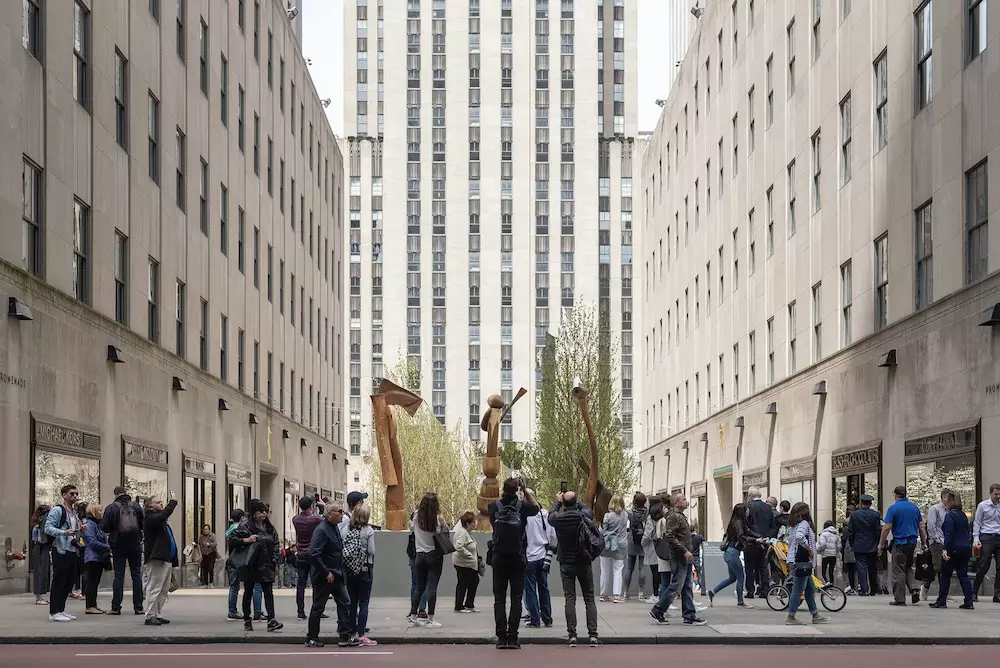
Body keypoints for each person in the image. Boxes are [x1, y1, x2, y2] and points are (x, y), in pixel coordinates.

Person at [488, 477, 541, 649]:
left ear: (503, 489)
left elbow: (494, 528)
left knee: (499, 599)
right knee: (516, 599)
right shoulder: (522, 507)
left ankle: (501, 638)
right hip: (517, 558)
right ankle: (513, 638)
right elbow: (536, 508)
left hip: (498, 557)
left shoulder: (493, 507)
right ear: (517, 489)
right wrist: (525, 491)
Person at [548, 490, 601, 647]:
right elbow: (588, 511)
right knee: (589, 598)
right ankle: (593, 634)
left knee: (569, 598)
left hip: (566, 562)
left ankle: (572, 634)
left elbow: (551, 515)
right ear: (576, 502)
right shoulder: (582, 516)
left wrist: (558, 501)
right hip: (583, 561)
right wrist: (577, 501)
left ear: (564, 503)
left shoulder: (558, 519)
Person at [649, 492, 706, 626]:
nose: (686, 502)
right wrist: (685, 551)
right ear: (676, 503)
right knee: (676, 585)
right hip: (679, 556)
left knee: (686, 586)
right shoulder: (674, 516)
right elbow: (670, 536)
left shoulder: (679, 516)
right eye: (684, 499)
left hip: (683, 556)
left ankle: (689, 615)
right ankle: (658, 610)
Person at [305, 501, 354, 648]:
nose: (342, 513)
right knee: (318, 607)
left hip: (336, 574)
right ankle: (312, 637)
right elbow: (313, 553)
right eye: (339, 511)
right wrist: (325, 572)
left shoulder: (333, 527)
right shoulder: (322, 530)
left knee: (345, 602)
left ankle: (345, 635)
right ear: (329, 514)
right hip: (325, 576)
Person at [230, 499, 283, 631]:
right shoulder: (246, 527)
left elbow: (276, 545)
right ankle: (247, 619)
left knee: (268, 593)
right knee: (248, 592)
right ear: (254, 514)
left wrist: (275, 562)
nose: (264, 514)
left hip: (266, 565)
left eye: (265, 511)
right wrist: (246, 540)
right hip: (251, 565)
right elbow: (232, 539)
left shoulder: (269, 528)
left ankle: (272, 619)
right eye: (261, 511)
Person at [878, 485, 927, 606]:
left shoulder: (893, 508)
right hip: (912, 543)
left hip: (900, 543)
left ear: (896, 495)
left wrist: (880, 544)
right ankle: (914, 589)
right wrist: (924, 543)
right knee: (908, 567)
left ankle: (900, 599)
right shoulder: (914, 508)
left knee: (898, 570)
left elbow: (887, 527)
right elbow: (921, 527)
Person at [410, 492, 451, 629]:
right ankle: (431, 619)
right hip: (434, 555)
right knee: (432, 587)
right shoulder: (438, 518)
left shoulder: (416, 516)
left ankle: (413, 617)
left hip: (419, 555)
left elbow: (412, 529)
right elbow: (446, 530)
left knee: (419, 587)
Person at [101, 486, 145, 616]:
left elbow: (104, 527)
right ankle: (138, 607)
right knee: (136, 574)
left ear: (115, 494)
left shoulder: (111, 507)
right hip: (135, 544)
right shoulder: (136, 507)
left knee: (118, 575)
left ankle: (116, 607)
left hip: (118, 545)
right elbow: (143, 524)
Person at [784, 502, 830, 625]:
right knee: (798, 590)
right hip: (801, 562)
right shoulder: (804, 523)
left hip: (795, 560)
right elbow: (800, 537)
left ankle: (815, 615)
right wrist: (809, 548)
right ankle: (791, 617)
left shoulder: (794, 524)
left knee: (809, 589)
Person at [708, 503, 760, 608]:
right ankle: (740, 602)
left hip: (730, 553)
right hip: (733, 553)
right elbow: (742, 537)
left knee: (732, 578)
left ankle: (712, 592)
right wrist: (755, 540)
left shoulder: (737, 522)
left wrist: (758, 536)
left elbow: (748, 531)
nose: (748, 512)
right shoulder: (738, 522)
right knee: (741, 577)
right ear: (742, 511)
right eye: (746, 510)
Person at [930, 491, 974, 610]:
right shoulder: (963, 515)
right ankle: (969, 601)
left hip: (953, 548)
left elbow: (949, 534)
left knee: (945, 575)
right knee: (963, 575)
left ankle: (942, 600)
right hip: (965, 548)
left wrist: (945, 549)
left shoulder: (950, 516)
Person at [43, 484, 82, 622]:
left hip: (72, 549)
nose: (75, 496)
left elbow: (73, 529)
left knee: (68, 581)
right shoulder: (58, 510)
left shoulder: (74, 512)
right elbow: (48, 528)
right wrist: (63, 532)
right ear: (64, 495)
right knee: (59, 580)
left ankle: (61, 609)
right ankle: (54, 612)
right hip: (60, 549)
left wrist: (80, 529)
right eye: (72, 494)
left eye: (76, 494)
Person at [343, 501, 377, 646]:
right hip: (364, 568)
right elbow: (371, 551)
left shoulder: (346, 529)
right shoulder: (368, 531)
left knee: (352, 603)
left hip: (350, 569)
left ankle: (352, 633)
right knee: (364, 603)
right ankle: (362, 634)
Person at [142, 493, 178, 626]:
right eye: (158, 502)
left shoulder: (160, 520)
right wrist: (173, 502)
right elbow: (164, 514)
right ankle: (149, 615)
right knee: (154, 587)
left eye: (162, 502)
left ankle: (158, 613)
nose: (161, 504)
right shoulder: (150, 518)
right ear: (150, 505)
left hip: (166, 558)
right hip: (156, 558)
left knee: (163, 589)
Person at [523, 488, 554, 627]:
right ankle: (547, 617)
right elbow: (551, 535)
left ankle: (535, 618)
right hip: (543, 555)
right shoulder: (545, 514)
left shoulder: (525, 517)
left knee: (530, 589)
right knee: (544, 587)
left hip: (530, 556)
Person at [226, 509, 262, 621]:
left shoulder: (230, 529)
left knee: (234, 587)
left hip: (232, 561)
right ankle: (254, 612)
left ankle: (232, 610)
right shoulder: (241, 529)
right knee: (249, 586)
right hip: (241, 560)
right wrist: (248, 540)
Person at [292, 496, 323, 620]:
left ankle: (300, 611)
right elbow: (323, 519)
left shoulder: (295, 519)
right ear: (311, 506)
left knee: (301, 584)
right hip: (312, 554)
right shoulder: (315, 519)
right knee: (316, 584)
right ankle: (317, 610)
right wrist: (323, 507)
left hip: (300, 554)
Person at [744, 486, 777, 598]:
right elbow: (773, 526)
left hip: (751, 542)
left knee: (750, 568)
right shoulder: (768, 508)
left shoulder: (748, 506)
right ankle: (764, 590)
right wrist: (767, 537)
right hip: (765, 542)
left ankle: (750, 591)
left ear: (750, 495)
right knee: (763, 567)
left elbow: (746, 525)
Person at [971, 482, 1000, 604]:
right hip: (986, 537)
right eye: (996, 494)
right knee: (984, 565)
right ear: (990, 493)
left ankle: (997, 594)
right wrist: (976, 539)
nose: (998, 496)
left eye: (999, 494)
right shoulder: (983, 506)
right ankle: (974, 591)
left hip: (998, 537)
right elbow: (977, 522)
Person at [848, 494, 882, 596]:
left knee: (861, 568)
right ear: (870, 503)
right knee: (872, 567)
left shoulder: (854, 515)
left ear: (861, 503)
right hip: (872, 544)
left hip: (859, 544)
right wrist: (878, 543)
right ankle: (873, 589)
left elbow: (851, 531)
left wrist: (852, 543)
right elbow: (877, 531)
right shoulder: (876, 515)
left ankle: (864, 589)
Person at [920, 489, 949, 601]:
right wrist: (935, 538)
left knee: (945, 568)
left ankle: (943, 593)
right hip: (937, 542)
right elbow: (931, 525)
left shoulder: (950, 511)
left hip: (947, 541)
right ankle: (926, 585)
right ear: (942, 498)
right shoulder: (935, 509)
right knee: (937, 566)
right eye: (947, 497)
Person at [599, 493, 628, 602]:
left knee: (605, 570)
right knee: (618, 570)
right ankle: (617, 595)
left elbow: (603, 531)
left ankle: (603, 594)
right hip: (620, 545)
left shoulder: (607, 516)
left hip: (607, 545)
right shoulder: (625, 515)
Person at [82, 503, 110, 614]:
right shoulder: (90, 524)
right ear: (93, 512)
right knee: (92, 582)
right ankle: (89, 606)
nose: (101, 513)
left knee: (95, 582)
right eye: (99, 511)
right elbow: (92, 542)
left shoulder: (97, 524)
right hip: (92, 557)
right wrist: (108, 547)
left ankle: (93, 604)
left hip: (98, 558)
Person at [452, 510, 481, 613]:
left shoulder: (467, 533)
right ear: (468, 523)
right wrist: (469, 555)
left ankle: (469, 604)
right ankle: (459, 606)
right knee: (463, 583)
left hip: (469, 564)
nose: (475, 523)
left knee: (474, 581)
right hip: (463, 563)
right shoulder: (462, 533)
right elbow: (459, 546)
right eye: (473, 522)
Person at [623, 492, 649, 600]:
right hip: (643, 542)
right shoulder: (647, 514)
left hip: (632, 541)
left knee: (629, 568)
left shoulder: (629, 513)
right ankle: (641, 593)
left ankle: (626, 592)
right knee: (642, 569)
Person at [640, 498, 664, 603]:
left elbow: (647, 534)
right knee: (661, 573)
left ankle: (655, 595)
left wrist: (643, 542)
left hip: (652, 547)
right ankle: (660, 593)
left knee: (655, 572)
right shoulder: (661, 516)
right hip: (661, 546)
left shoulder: (650, 518)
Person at [30, 504, 52, 606]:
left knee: (41, 572)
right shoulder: (44, 520)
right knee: (40, 572)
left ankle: (40, 597)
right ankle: (39, 598)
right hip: (41, 547)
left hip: (39, 547)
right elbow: (44, 536)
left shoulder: (37, 521)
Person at [817, 520, 841, 585]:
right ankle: (832, 585)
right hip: (833, 556)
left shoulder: (823, 534)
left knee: (823, 573)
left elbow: (822, 545)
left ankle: (827, 583)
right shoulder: (836, 535)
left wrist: (817, 549)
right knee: (831, 572)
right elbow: (839, 547)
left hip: (825, 556)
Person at [840, 506, 857, 594]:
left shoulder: (847, 522)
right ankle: (859, 586)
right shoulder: (858, 520)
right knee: (857, 569)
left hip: (849, 548)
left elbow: (845, 537)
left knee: (849, 569)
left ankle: (851, 587)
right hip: (857, 547)